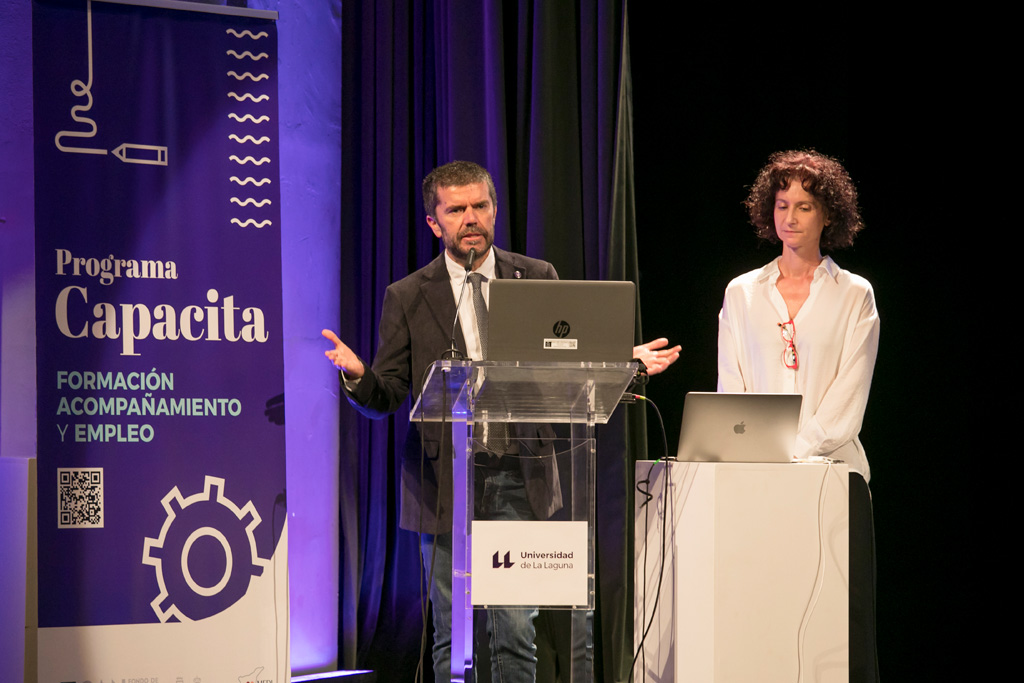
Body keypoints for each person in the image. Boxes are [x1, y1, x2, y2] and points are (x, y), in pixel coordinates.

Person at [323, 160, 679, 682]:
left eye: (480, 206)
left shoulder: (535, 277)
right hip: (444, 484)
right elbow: (390, 394)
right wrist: (359, 376)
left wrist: (618, 363)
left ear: (494, 210)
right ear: (434, 222)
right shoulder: (408, 295)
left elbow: (566, 364)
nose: (470, 218)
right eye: (456, 210)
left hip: (519, 474)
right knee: (452, 636)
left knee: (515, 631)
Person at [717, 149, 879, 681]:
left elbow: (847, 402)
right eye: (782, 204)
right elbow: (733, 392)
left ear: (827, 214)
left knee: (837, 632)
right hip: (759, 484)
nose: (790, 217)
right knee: (769, 625)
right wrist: (759, 456)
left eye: (805, 206)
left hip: (834, 479)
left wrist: (790, 454)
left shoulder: (854, 295)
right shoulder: (742, 293)